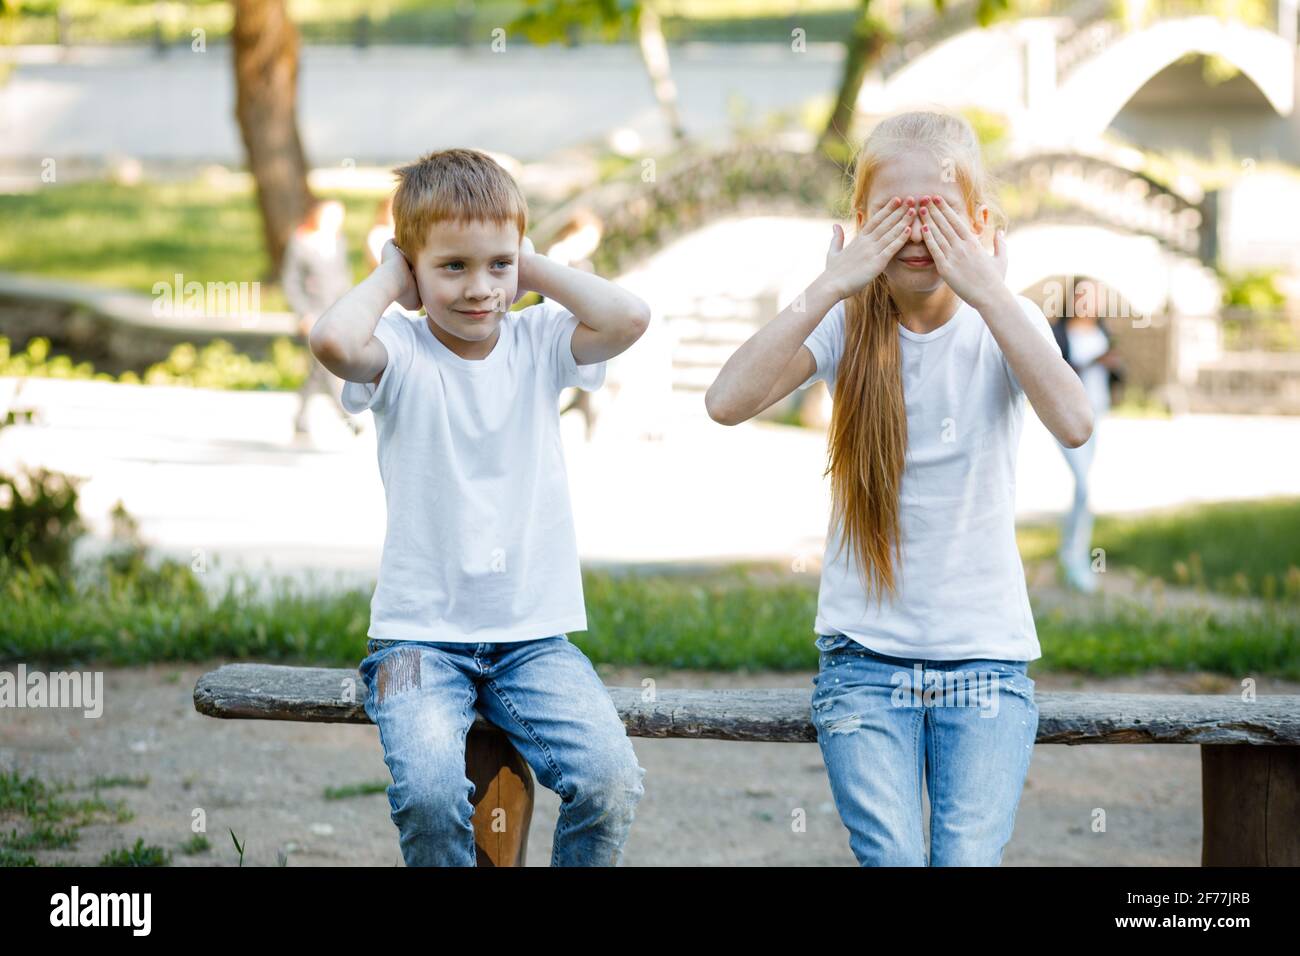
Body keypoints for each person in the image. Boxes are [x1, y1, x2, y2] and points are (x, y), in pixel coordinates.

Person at [706, 110, 1093, 866]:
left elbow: (1076, 423)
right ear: (859, 224)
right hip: (864, 660)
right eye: (894, 216)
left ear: (981, 224)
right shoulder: (845, 322)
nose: (917, 235)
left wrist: (990, 292)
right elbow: (726, 401)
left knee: (965, 858)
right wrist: (827, 285)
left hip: (985, 659)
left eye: (940, 215)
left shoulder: (1001, 324)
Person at [307, 148, 651, 866]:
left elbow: (629, 316)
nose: (478, 288)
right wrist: (389, 276)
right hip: (417, 642)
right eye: (451, 266)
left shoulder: (539, 340)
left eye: (498, 265)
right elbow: (334, 339)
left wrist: (531, 265)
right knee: (432, 798)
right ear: (412, 269)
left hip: (534, 639)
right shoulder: (399, 349)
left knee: (609, 781)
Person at [1051, 278, 1125, 594]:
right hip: (1066, 418)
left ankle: (1075, 553)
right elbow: (1054, 371)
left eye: (1092, 297)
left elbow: (1118, 373)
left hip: (1097, 415)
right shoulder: (1060, 333)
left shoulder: (1102, 332)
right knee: (1084, 486)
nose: (1087, 302)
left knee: (1086, 488)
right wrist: (1095, 361)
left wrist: (1114, 368)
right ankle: (1074, 560)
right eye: (1082, 296)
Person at [282, 198, 359, 438]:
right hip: (314, 315)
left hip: (335, 313)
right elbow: (291, 282)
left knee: (318, 371)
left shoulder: (338, 242)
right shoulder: (301, 242)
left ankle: (301, 417)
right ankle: (347, 417)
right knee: (327, 368)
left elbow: (342, 277)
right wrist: (303, 314)